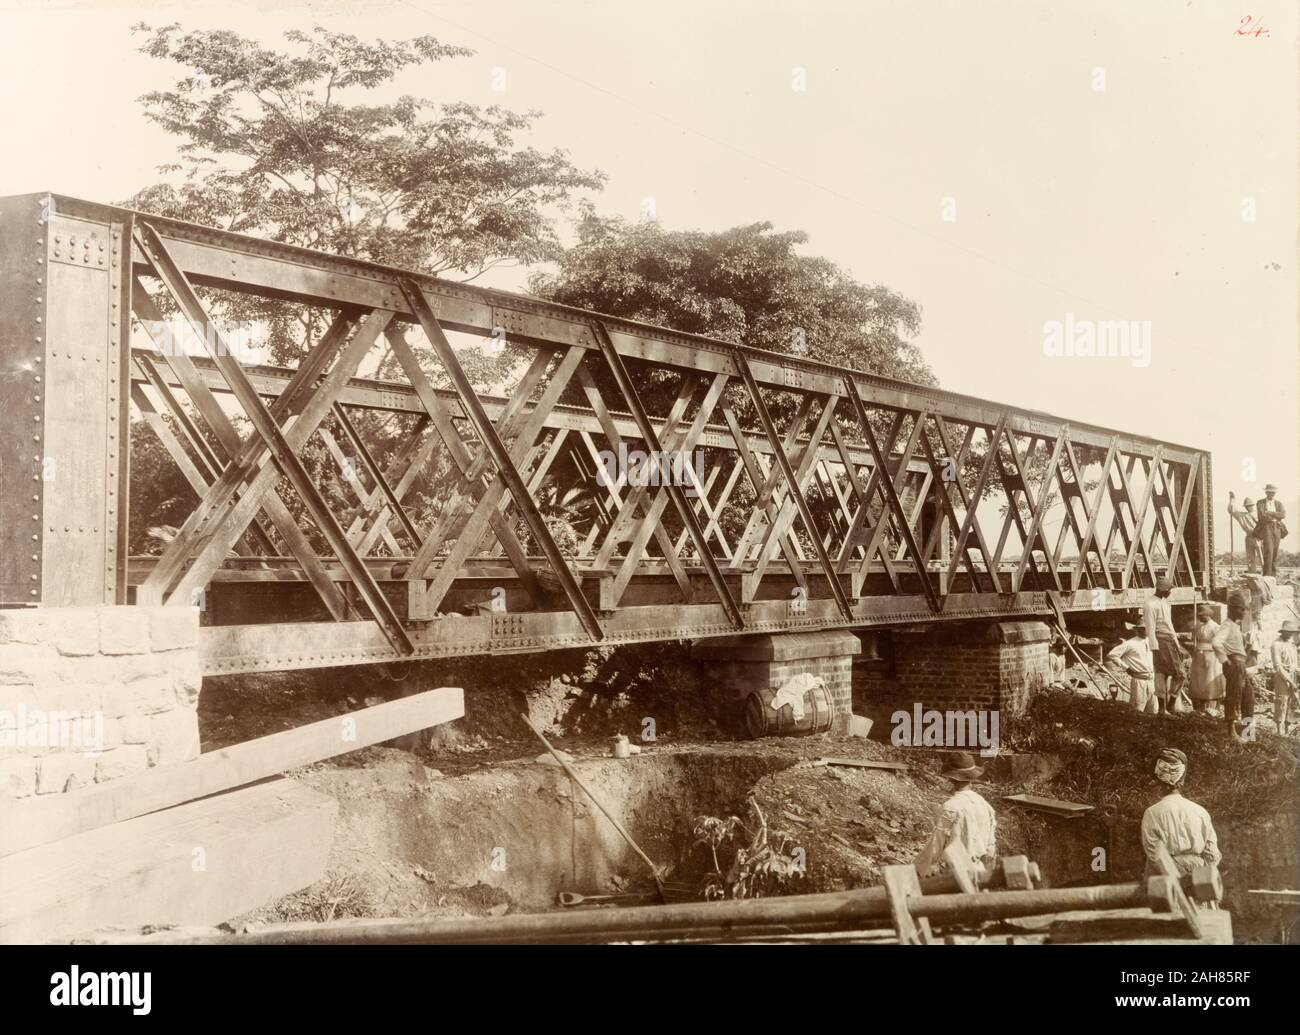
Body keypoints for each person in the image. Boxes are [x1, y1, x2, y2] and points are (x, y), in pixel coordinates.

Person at [913, 752, 997, 878]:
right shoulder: (985, 805)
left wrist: (916, 868)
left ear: (951, 778)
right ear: (972, 778)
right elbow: (991, 847)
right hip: (980, 872)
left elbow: (936, 844)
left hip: (957, 875)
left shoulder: (951, 807)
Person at [1140, 748, 1221, 877]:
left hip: (1166, 878)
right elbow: (1212, 855)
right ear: (1181, 778)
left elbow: (1154, 855)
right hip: (1199, 876)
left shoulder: (1152, 813)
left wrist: (1176, 878)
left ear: (1158, 779)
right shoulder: (1200, 811)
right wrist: (1199, 877)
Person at [1143, 576, 1186, 713]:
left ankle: (1167, 706)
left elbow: (1170, 625)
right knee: (1172, 673)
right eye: (1168, 590)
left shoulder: (1165, 603)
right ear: (1161, 589)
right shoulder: (1150, 604)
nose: (1170, 592)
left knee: (1169, 674)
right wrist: (1154, 648)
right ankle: (1165, 707)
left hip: (1170, 640)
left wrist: (1177, 644)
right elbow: (1150, 628)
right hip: (1160, 641)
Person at [1213, 600, 1253, 739]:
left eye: (1244, 609)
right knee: (1234, 695)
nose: (1244, 612)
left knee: (1248, 696)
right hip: (1234, 663)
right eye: (1241, 609)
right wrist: (1224, 660)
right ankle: (1231, 732)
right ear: (1233, 609)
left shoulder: (1235, 626)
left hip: (1241, 664)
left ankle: (1248, 733)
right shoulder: (1227, 625)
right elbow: (1216, 642)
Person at [1106, 622, 1157, 714]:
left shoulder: (1151, 642)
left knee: (1153, 710)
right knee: (1137, 710)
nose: (1145, 631)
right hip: (1139, 681)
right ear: (1137, 630)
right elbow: (1112, 655)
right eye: (1142, 628)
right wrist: (1126, 668)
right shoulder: (1130, 643)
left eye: (1147, 628)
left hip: (1152, 681)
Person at [1188, 604, 1225, 715]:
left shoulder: (1215, 627)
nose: (1200, 618)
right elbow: (1194, 640)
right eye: (1199, 616)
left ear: (1208, 615)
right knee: (1200, 682)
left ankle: (1216, 707)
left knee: (1211, 681)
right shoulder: (1199, 627)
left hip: (1211, 656)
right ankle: (1201, 707)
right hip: (1199, 656)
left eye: (1202, 616)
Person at [1271, 619, 1299, 734]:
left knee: (1292, 701)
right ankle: (1279, 730)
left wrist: (1296, 677)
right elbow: (1278, 666)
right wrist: (1289, 681)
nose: (1291, 634)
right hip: (1282, 676)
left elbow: (1295, 663)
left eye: (1292, 632)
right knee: (1281, 701)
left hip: (1293, 675)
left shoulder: (1292, 645)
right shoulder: (1276, 645)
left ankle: (1287, 728)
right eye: (1288, 632)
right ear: (1283, 632)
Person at [1255, 484, 1287, 578]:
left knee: (1275, 552)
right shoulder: (1260, 503)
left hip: (1277, 527)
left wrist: (1270, 513)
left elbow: (1283, 515)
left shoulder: (1279, 503)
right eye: (1270, 492)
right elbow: (1262, 516)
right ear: (1266, 492)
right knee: (1268, 551)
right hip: (1266, 528)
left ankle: (1273, 576)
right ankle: (1267, 575)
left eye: (1273, 493)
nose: (1271, 494)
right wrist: (1275, 516)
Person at [1227, 494, 1262, 573]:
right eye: (1247, 506)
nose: (1249, 507)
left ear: (1253, 505)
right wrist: (1232, 499)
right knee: (1250, 558)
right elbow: (1231, 510)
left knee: (1262, 557)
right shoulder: (1243, 516)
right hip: (1249, 537)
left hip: (1259, 537)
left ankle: (1267, 573)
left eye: (1250, 505)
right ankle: (1252, 573)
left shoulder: (1259, 514)